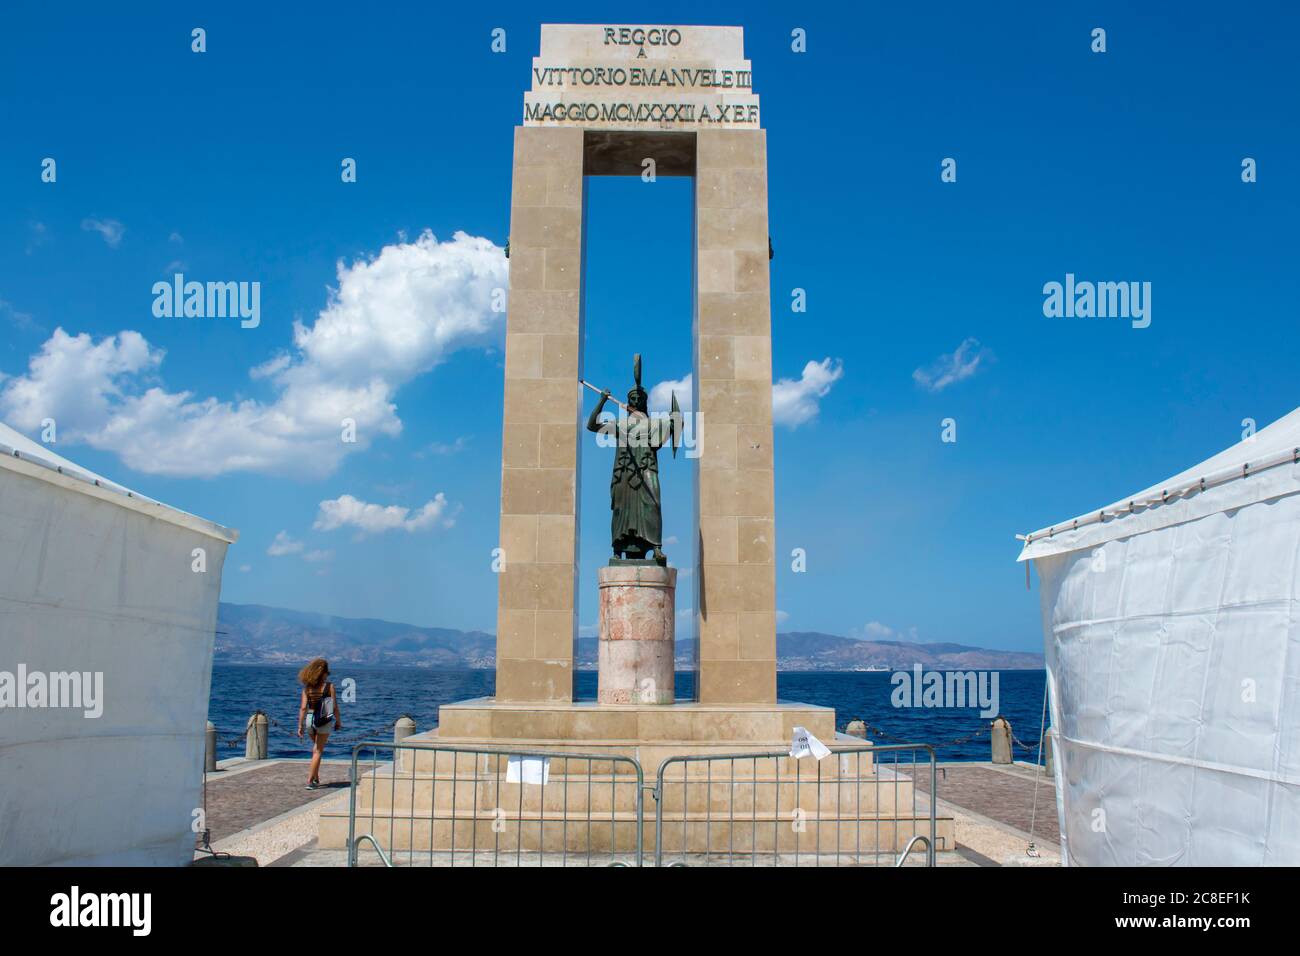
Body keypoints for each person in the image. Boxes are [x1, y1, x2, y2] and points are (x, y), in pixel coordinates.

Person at [296, 658, 341, 790]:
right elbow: (334, 707)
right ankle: (310, 781)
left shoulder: (307, 688)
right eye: (327, 672)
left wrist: (300, 726)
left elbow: (303, 708)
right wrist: (338, 721)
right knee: (318, 751)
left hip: (310, 719)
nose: (328, 674)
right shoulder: (329, 687)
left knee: (315, 749)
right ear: (323, 673)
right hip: (323, 719)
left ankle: (315, 778)